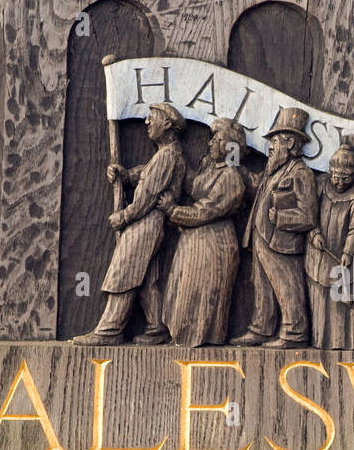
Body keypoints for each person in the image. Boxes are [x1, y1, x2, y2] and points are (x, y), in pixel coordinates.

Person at [72, 102, 185, 346]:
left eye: (152, 118)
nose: (146, 122)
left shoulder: (167, 157)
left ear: (166, 124)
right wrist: (125, 175)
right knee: (146, 278)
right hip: (150, 222)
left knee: (125, 271)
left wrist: (123, 216)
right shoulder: (165, 155)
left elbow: (147, 197)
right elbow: (145, 175)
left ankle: (110, 330)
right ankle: (156, 326)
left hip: (145, 221)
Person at [231, 107, 319, 349]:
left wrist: (280, 216)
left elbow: (309, 215)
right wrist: (235, 163)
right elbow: (253, 189)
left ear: (290, 143)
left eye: (276, 141)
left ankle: (294, 332)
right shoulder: (273, 171)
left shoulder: (301, 173)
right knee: (262, 286)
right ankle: (261, 327)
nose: (270, 146)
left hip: (282, 243)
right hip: (261, 239)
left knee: (287, 287)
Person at [160, 117, 247, 347]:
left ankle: (201, 342)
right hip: (194, 242)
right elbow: (196, 186)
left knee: (203, 298)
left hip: (213, 246)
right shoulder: (211, 167)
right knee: (184, 292)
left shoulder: (231, 178)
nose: (209, 144)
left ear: (229, 147)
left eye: (215, 140)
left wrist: (173, 210)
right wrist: (178, 162)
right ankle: (180, 337)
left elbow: (204, 211)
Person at [305, 143, 354, 349]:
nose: (339, 182)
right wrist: (314, 233)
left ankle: (348, 345)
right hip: (319, 258)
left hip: (347, 261)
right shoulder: (320, 186)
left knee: (347, 306)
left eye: (345, 178)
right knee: (320, 302)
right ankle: (320, 343)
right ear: (330, 171)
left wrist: (348, 252)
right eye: (336, 177)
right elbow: (309, 213)